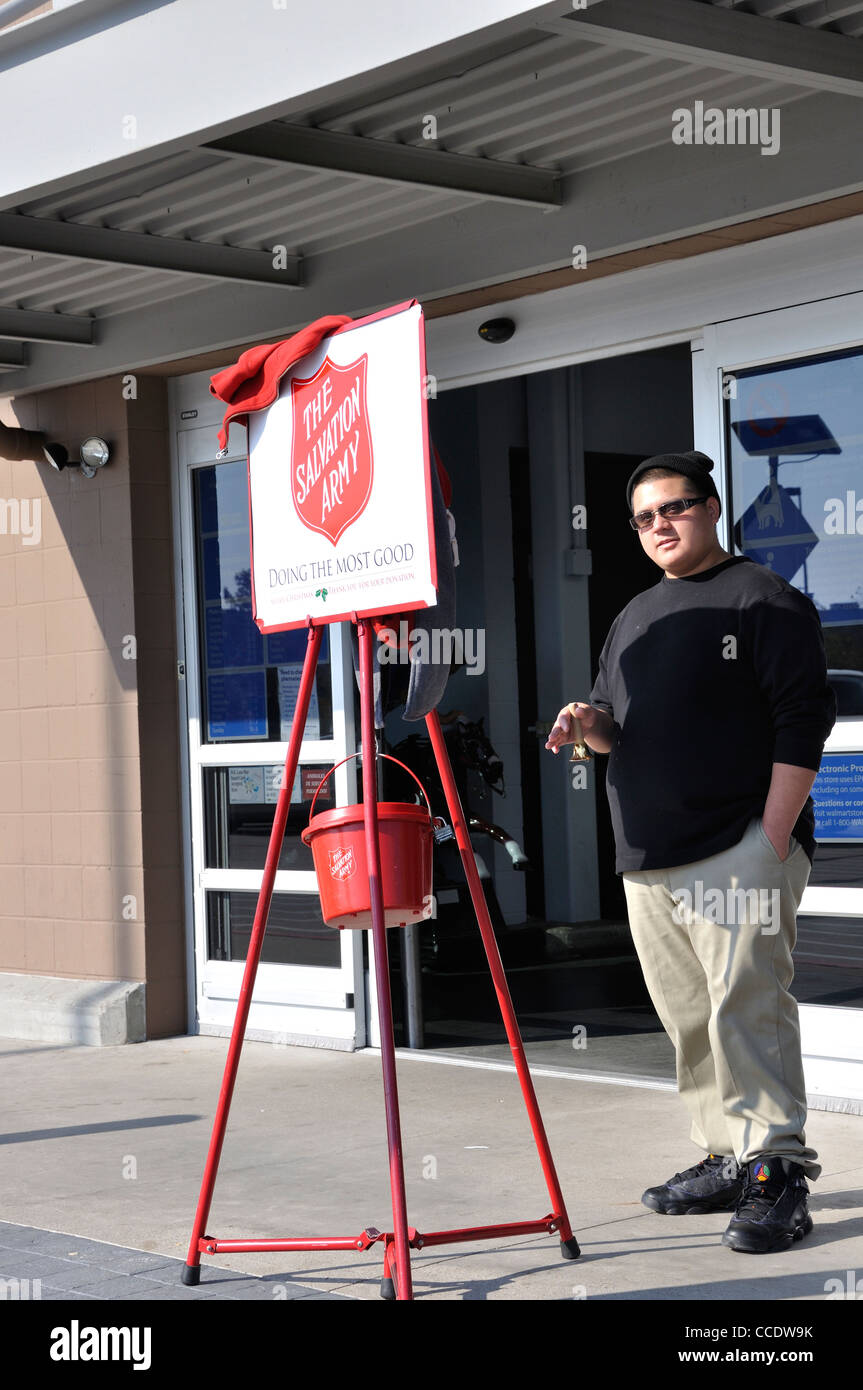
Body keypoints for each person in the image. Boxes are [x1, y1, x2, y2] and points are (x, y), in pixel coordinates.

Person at [545, 450, 836, 1254]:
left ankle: (776, 1169)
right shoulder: (637, 614)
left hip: (734, 846)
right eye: (642, 519)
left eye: (671, 509)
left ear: (709, 508)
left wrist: (769, 839)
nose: (657, 527)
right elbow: (616, 727)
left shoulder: (764, 598)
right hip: (649, 857)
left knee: (748, 1009)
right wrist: (585, 723)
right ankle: (727, 1154)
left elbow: (802, 719)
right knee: (689, 1019)